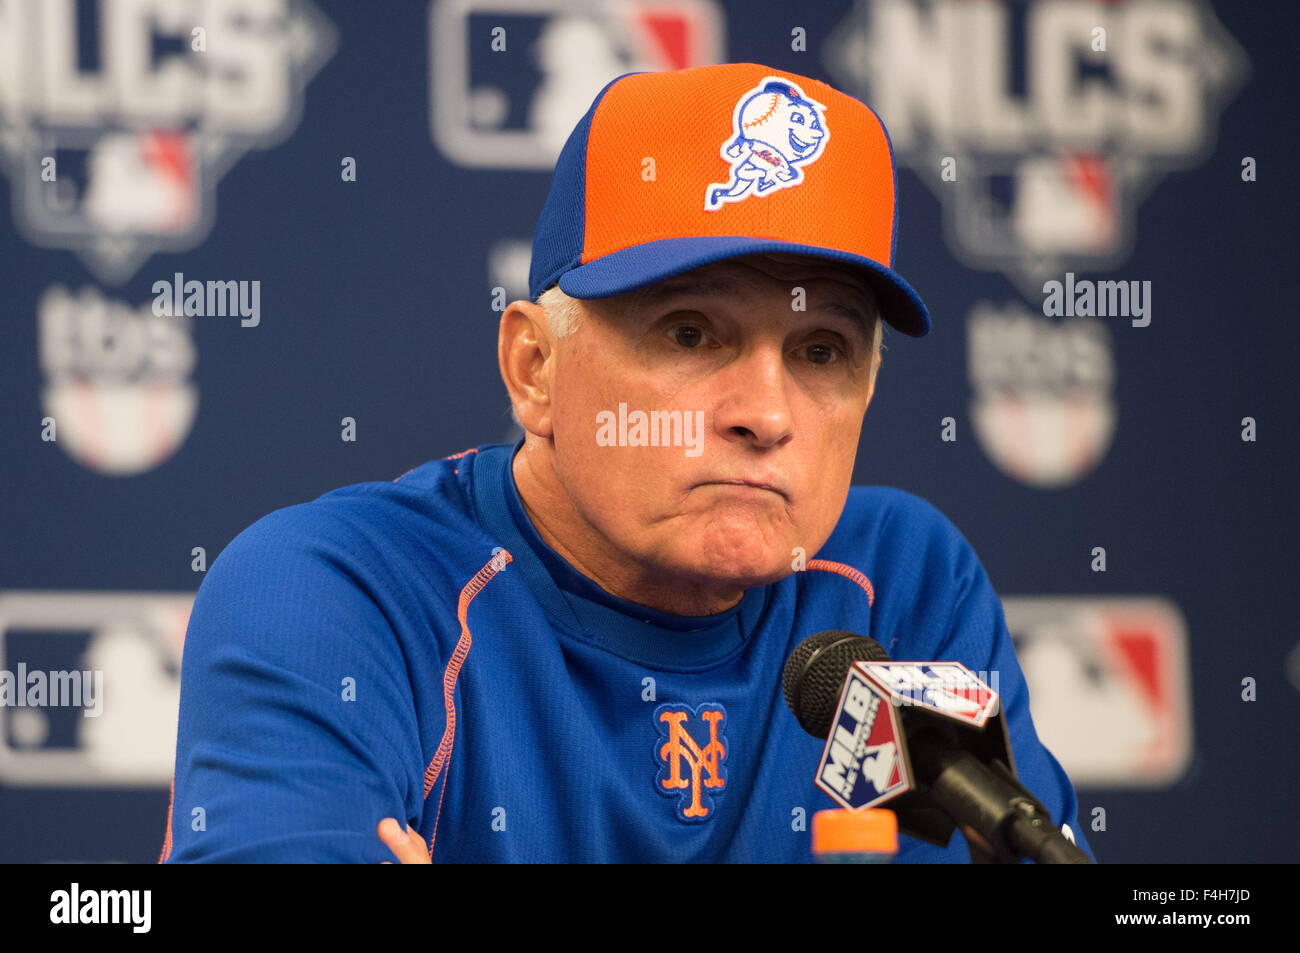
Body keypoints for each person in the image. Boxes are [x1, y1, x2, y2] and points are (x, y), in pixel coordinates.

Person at [160, 63, 1093, 863]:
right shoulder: (339, 593)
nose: (765, 414)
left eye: (821, 351)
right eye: (690, 333)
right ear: (535, 369)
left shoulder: (901, 586)